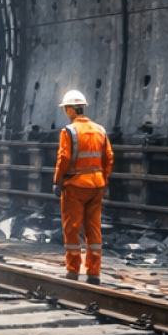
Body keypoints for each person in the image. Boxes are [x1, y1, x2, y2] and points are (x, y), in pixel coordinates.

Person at [53, 90, 112, 283]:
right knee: (93, 229)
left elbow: (64, 158)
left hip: (75, 186)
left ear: (70, 109)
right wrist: (103, 179)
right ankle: (93, 272)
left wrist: (57, 180)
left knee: (72, 228)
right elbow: (108, 158)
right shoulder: (100, 130)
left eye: (66, 109)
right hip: (96, 186)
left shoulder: (68, 131)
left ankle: (73, 270)